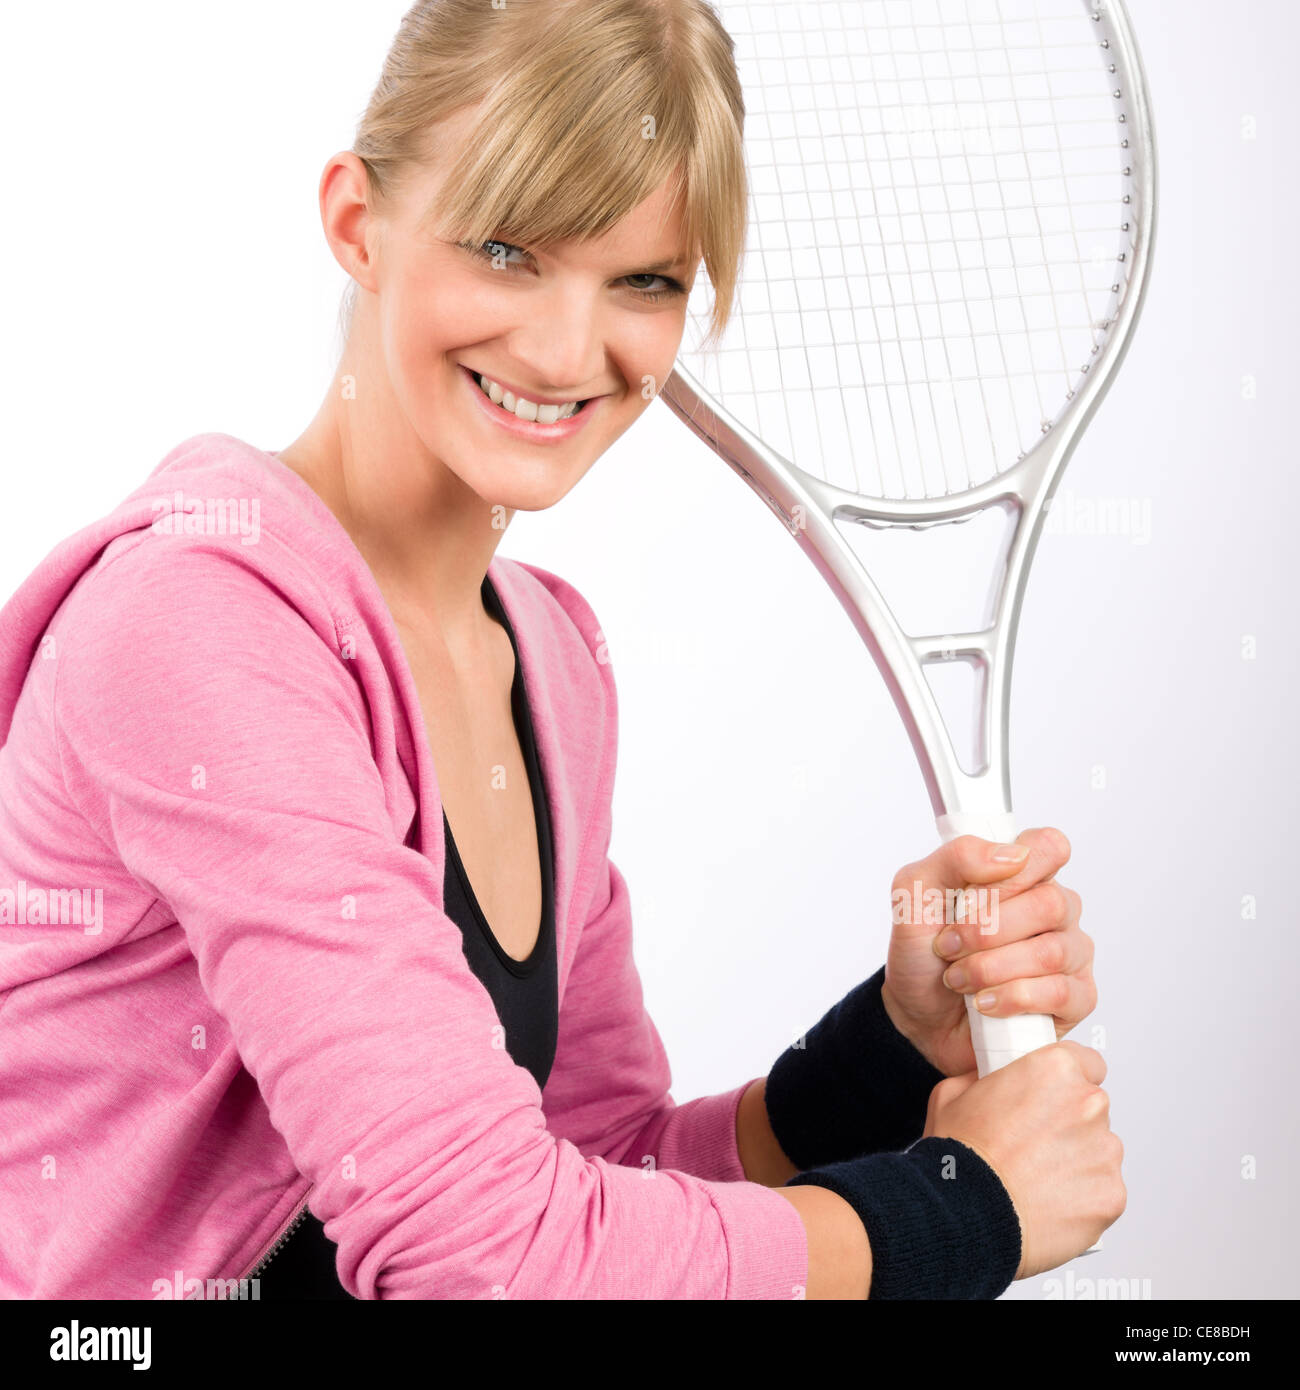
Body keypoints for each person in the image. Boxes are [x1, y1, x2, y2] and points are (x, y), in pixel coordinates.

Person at [0, 0, 1123, 1300]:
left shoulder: (554, 658)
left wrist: (885, 1049)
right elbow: (486, 1252)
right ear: (358, 222)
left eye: (643, 280)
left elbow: (600, 1170)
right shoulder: (201, 625)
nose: (563, 348)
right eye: (508, 249)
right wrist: (955, 1215)